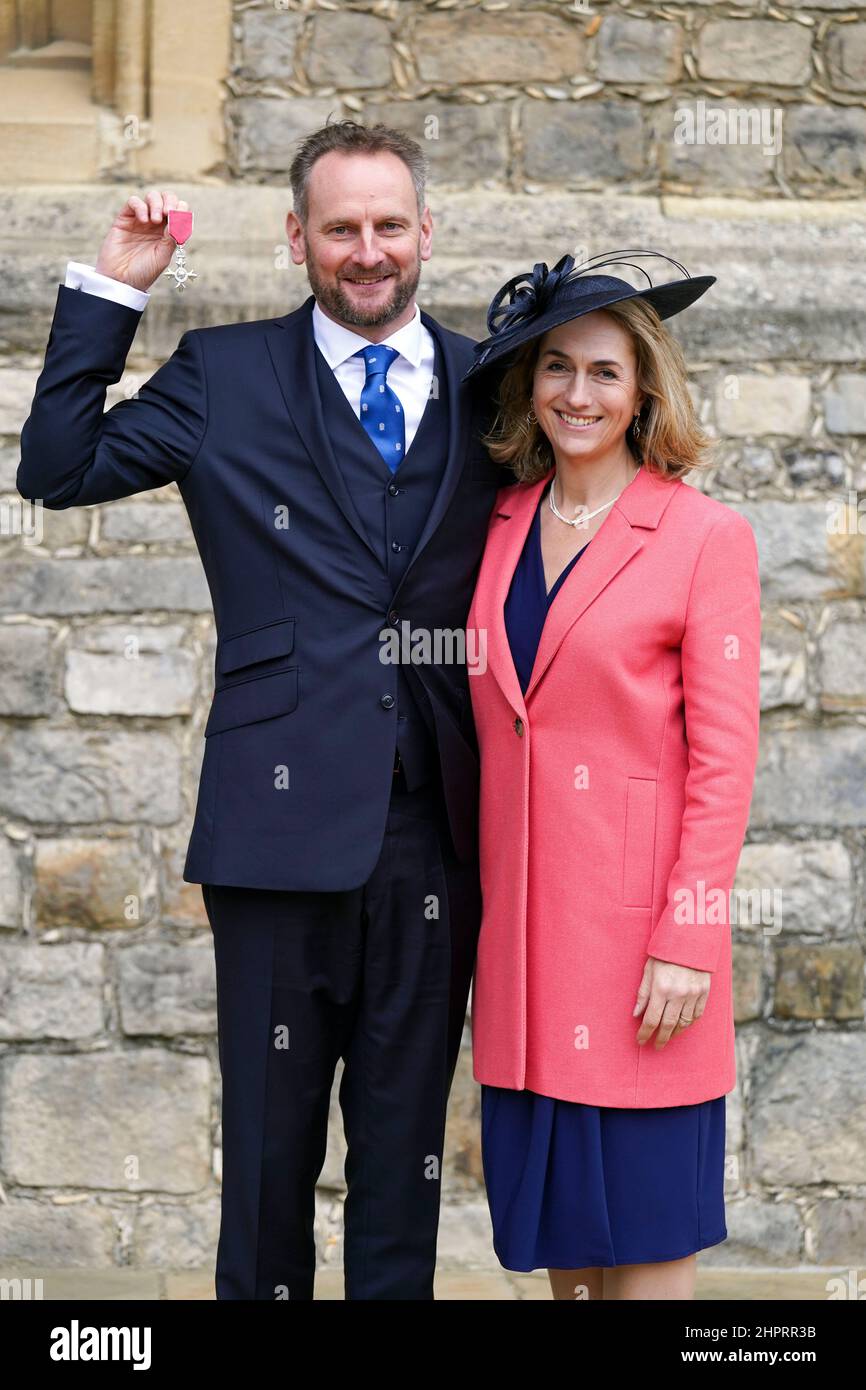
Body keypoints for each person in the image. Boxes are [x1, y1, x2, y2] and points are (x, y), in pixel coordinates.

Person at [16, 120, 509, 1301]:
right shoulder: (223, 376)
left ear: (425, 232)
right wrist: (113, 292)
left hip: (436, 831)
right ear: (298, 238)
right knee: (268, 1172)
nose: (367, 249)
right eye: (340, 227)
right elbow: (55, 465)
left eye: (389, 224)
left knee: (405, 1167)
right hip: (276, 833)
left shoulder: (497, 384)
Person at [461, 250, 762, 1300]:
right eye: (555, 368)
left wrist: (686, 937)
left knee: (645, 1250)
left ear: (641, 392)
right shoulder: (495, 526)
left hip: (643, 963)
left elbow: (724, 762)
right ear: (528, 384)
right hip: (526, 963)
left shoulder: (700, 537)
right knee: (568, 1263)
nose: (575, 393)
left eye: (601, 372)